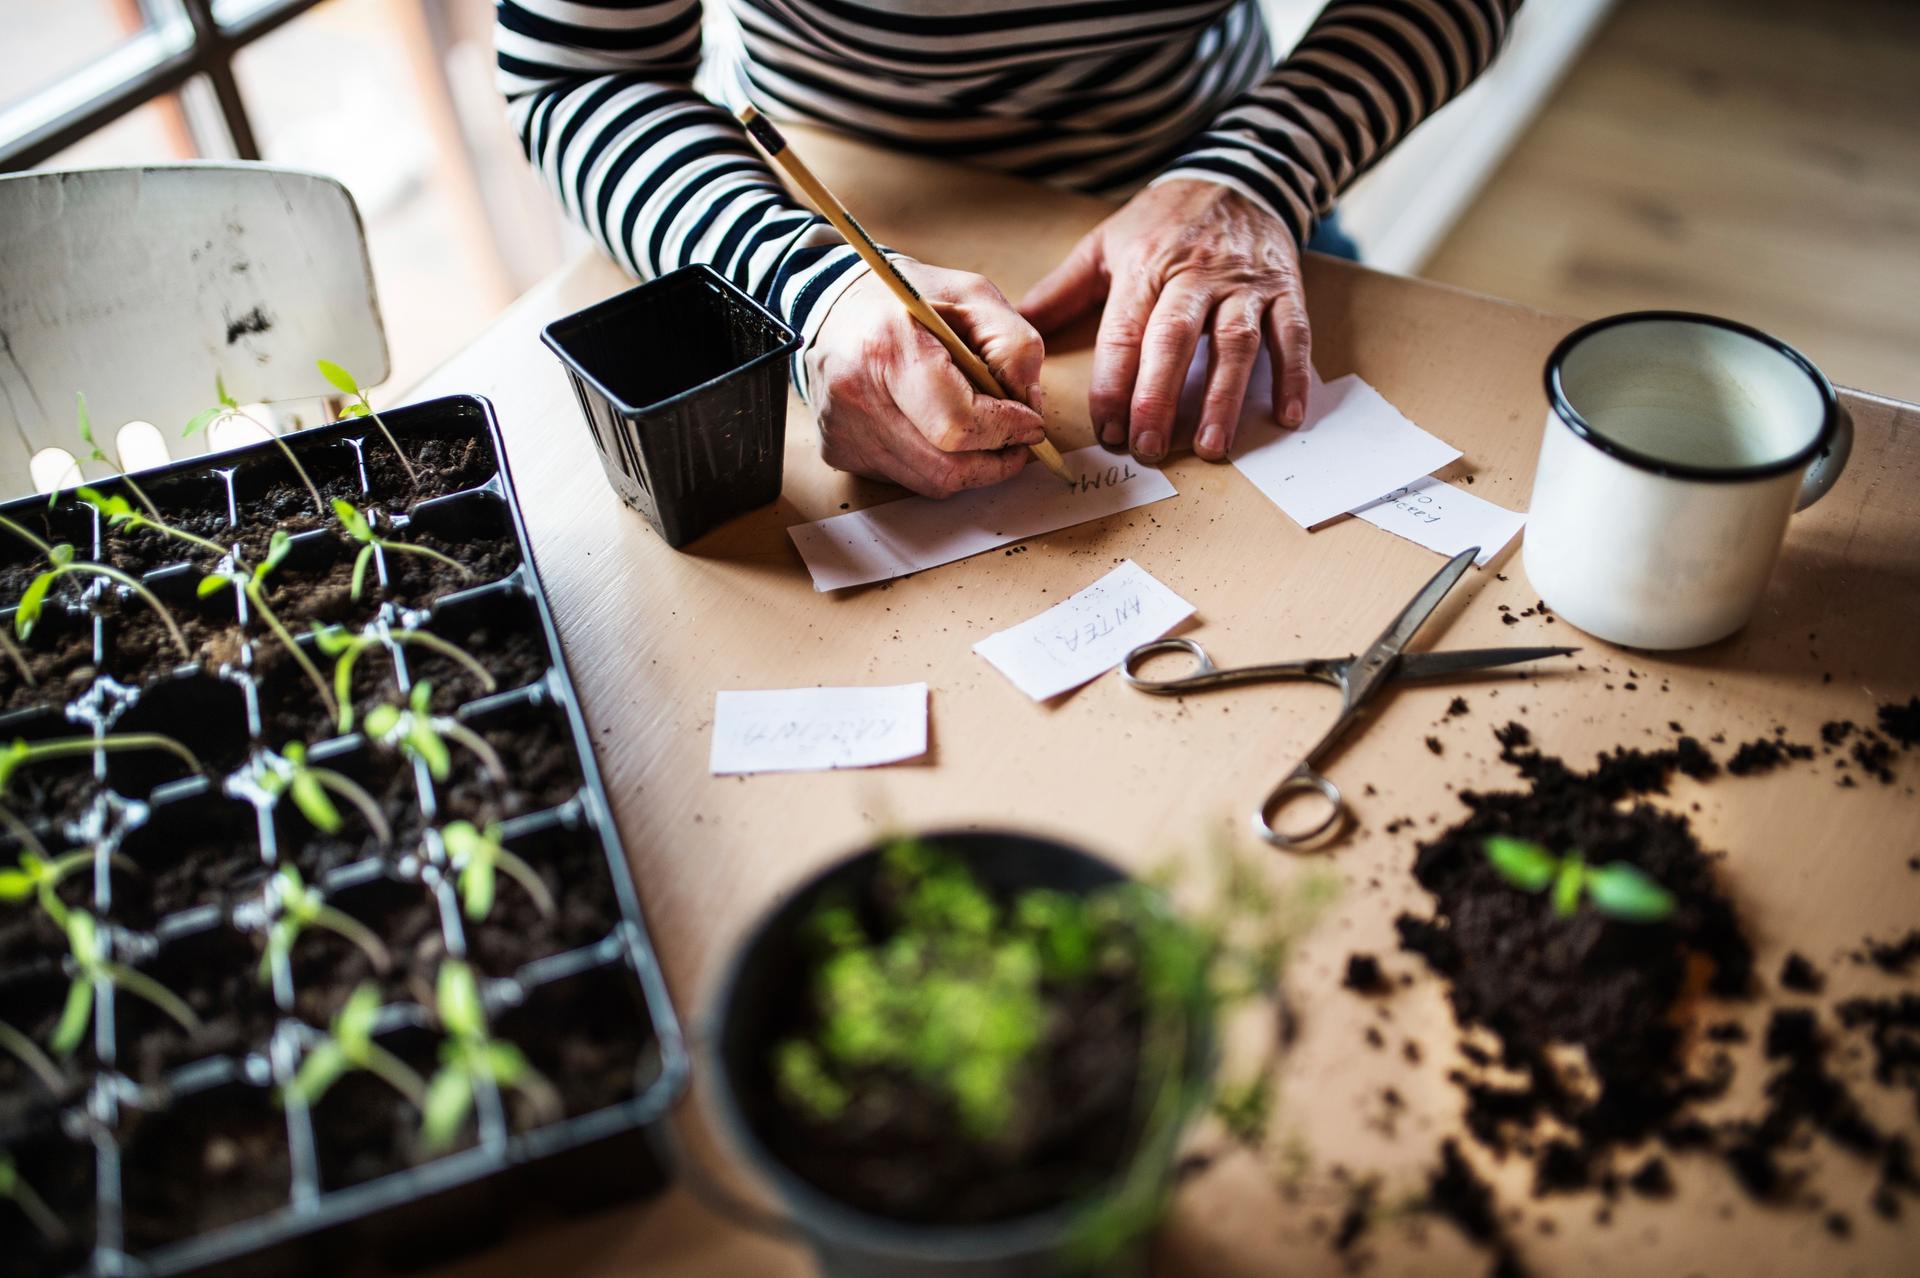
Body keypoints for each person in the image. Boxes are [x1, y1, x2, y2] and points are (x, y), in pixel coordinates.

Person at [498, 0, 1521, 498]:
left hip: (1230, 207)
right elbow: (579, 71)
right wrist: (808, 287)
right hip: (808, 226)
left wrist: (1261, 166)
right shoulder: (807, 269)